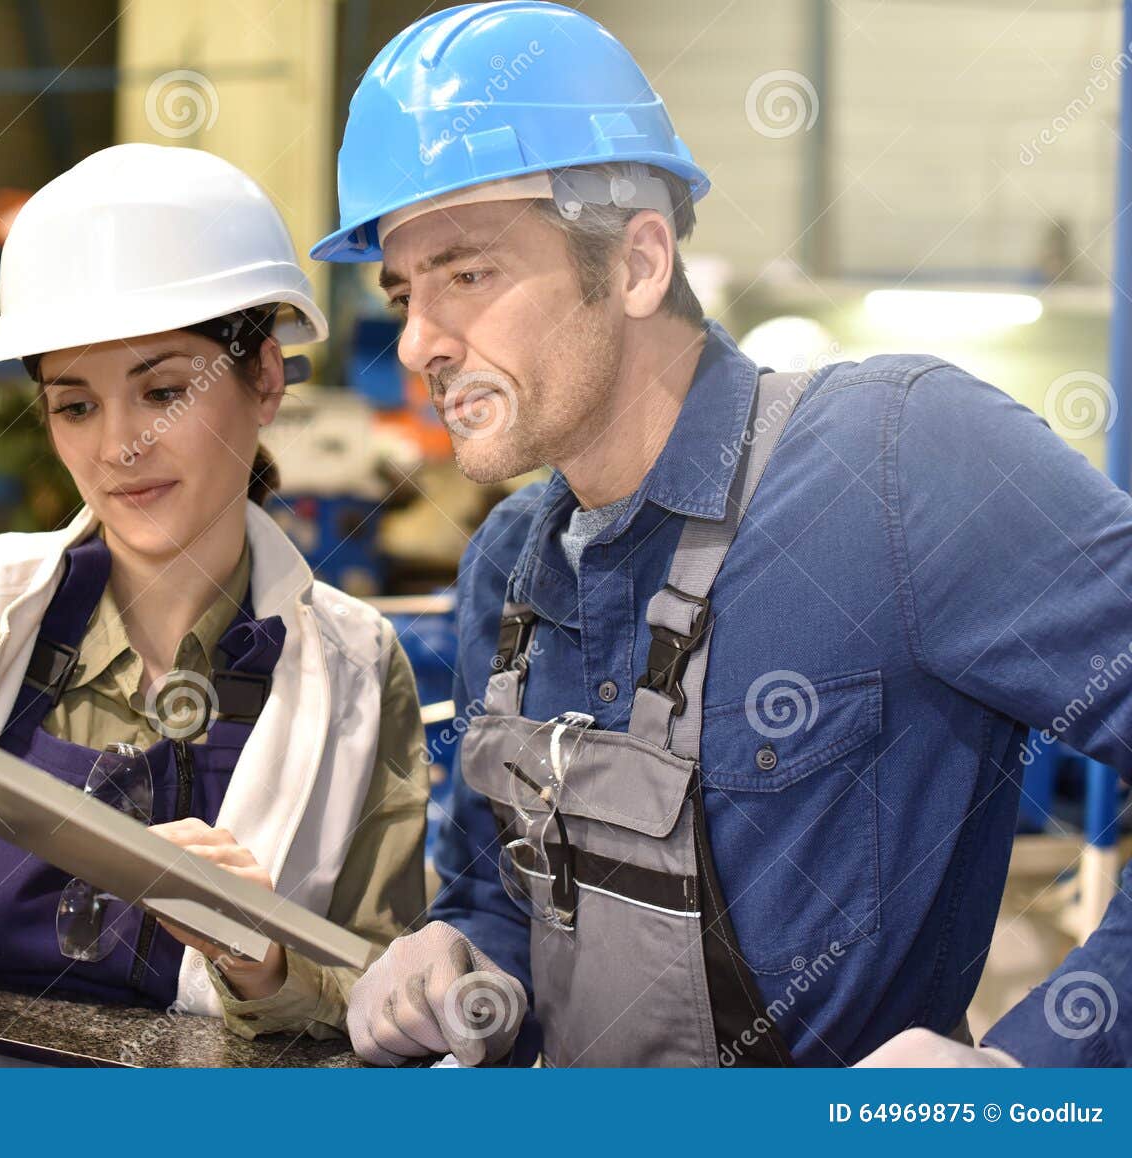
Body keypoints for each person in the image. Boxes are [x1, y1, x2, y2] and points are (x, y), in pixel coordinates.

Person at [327, 1, 1132, 1067]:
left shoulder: (895, 463)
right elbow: (503, 902)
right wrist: (453, 953)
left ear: (636, 264)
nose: (420, 340)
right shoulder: (508, 577)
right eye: (401, 289)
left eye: (467, 275)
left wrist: (1025, 1077)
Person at [0, 144, 429, 1041]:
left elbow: (379, 996)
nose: (118, 447)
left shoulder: (354, 666)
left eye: (162, 391)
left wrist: (260, 957)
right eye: (76, 405)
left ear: (264, 378)